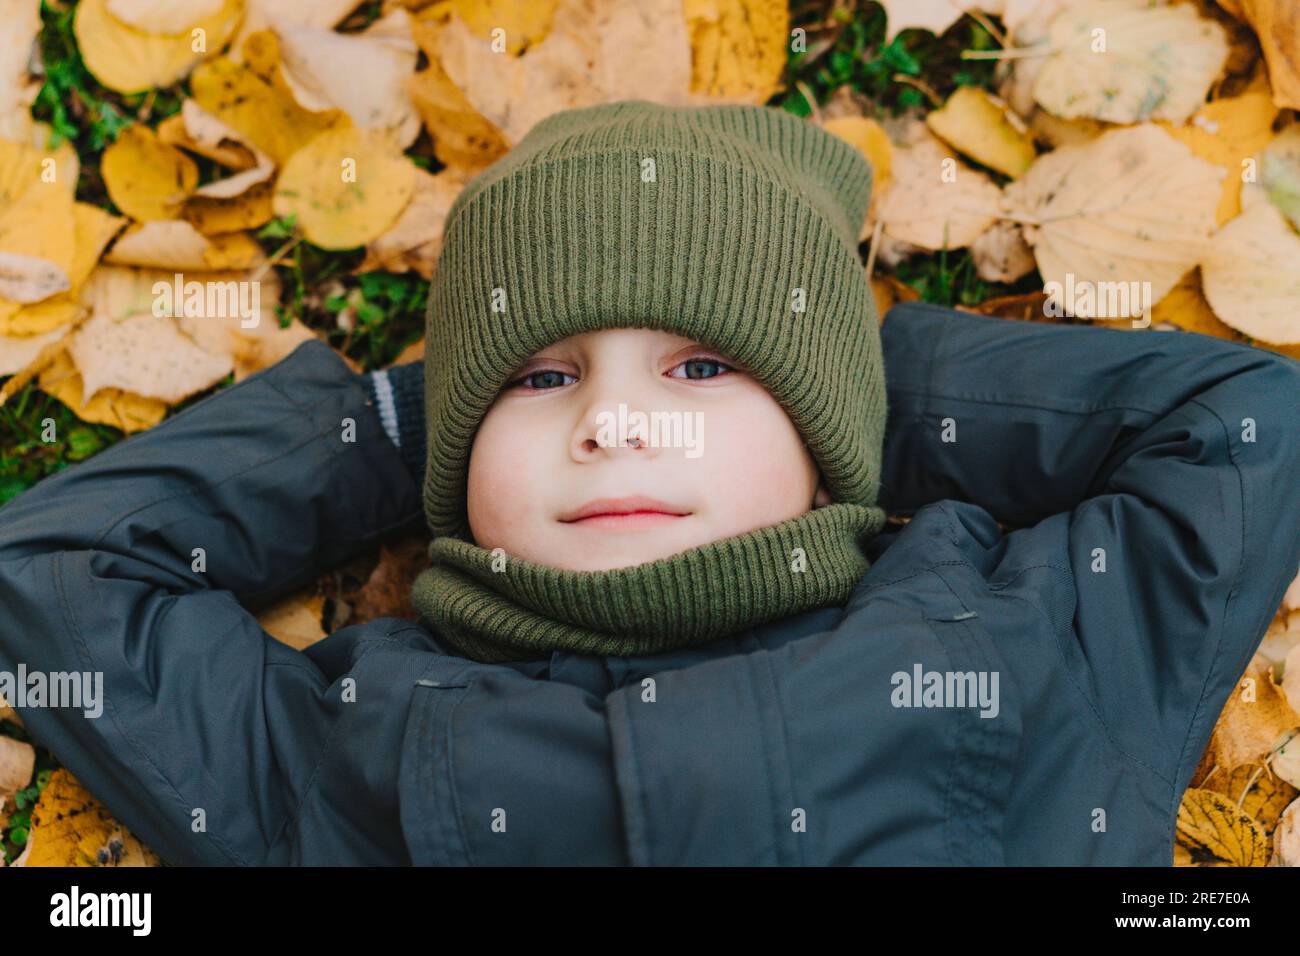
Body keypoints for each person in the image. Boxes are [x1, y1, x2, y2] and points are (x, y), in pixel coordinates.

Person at [1, 101, 1297, 865]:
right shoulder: (329, 754)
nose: (616, 423)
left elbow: (1247, 421)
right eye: (540, 380)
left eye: (706, 368)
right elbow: (55, 570)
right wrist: (400, 423)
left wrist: (866, 388)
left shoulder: (1037, 644)